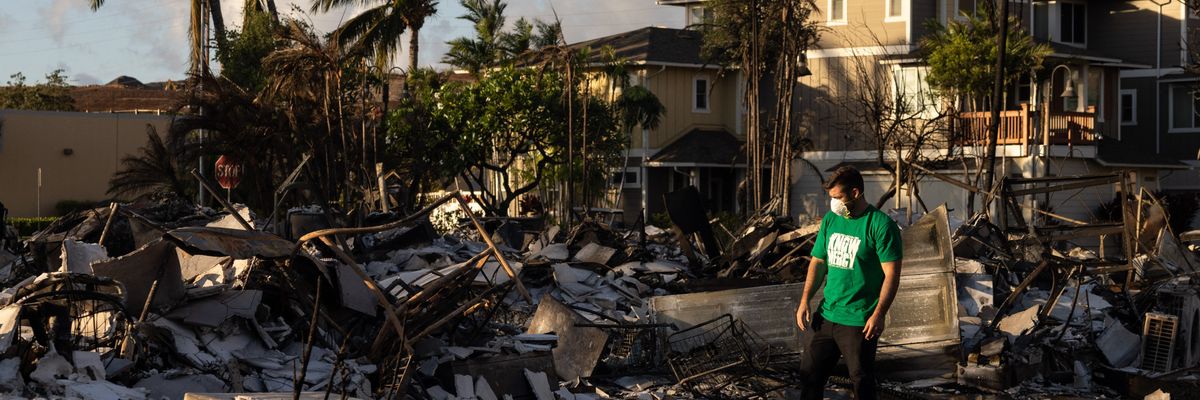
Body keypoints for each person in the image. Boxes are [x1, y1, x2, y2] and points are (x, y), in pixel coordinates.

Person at [796, 166, 903, 400]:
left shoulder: (881, 225)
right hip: (826, 315)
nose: (834, 204)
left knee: (861, 382)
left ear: (856, 193)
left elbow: (892, 276)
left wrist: (879, 314)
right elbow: (818, 262)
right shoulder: (831, 220)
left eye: (838, 198)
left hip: (859, 321)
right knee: (809, 377)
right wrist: (804, 300)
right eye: (831, 198)